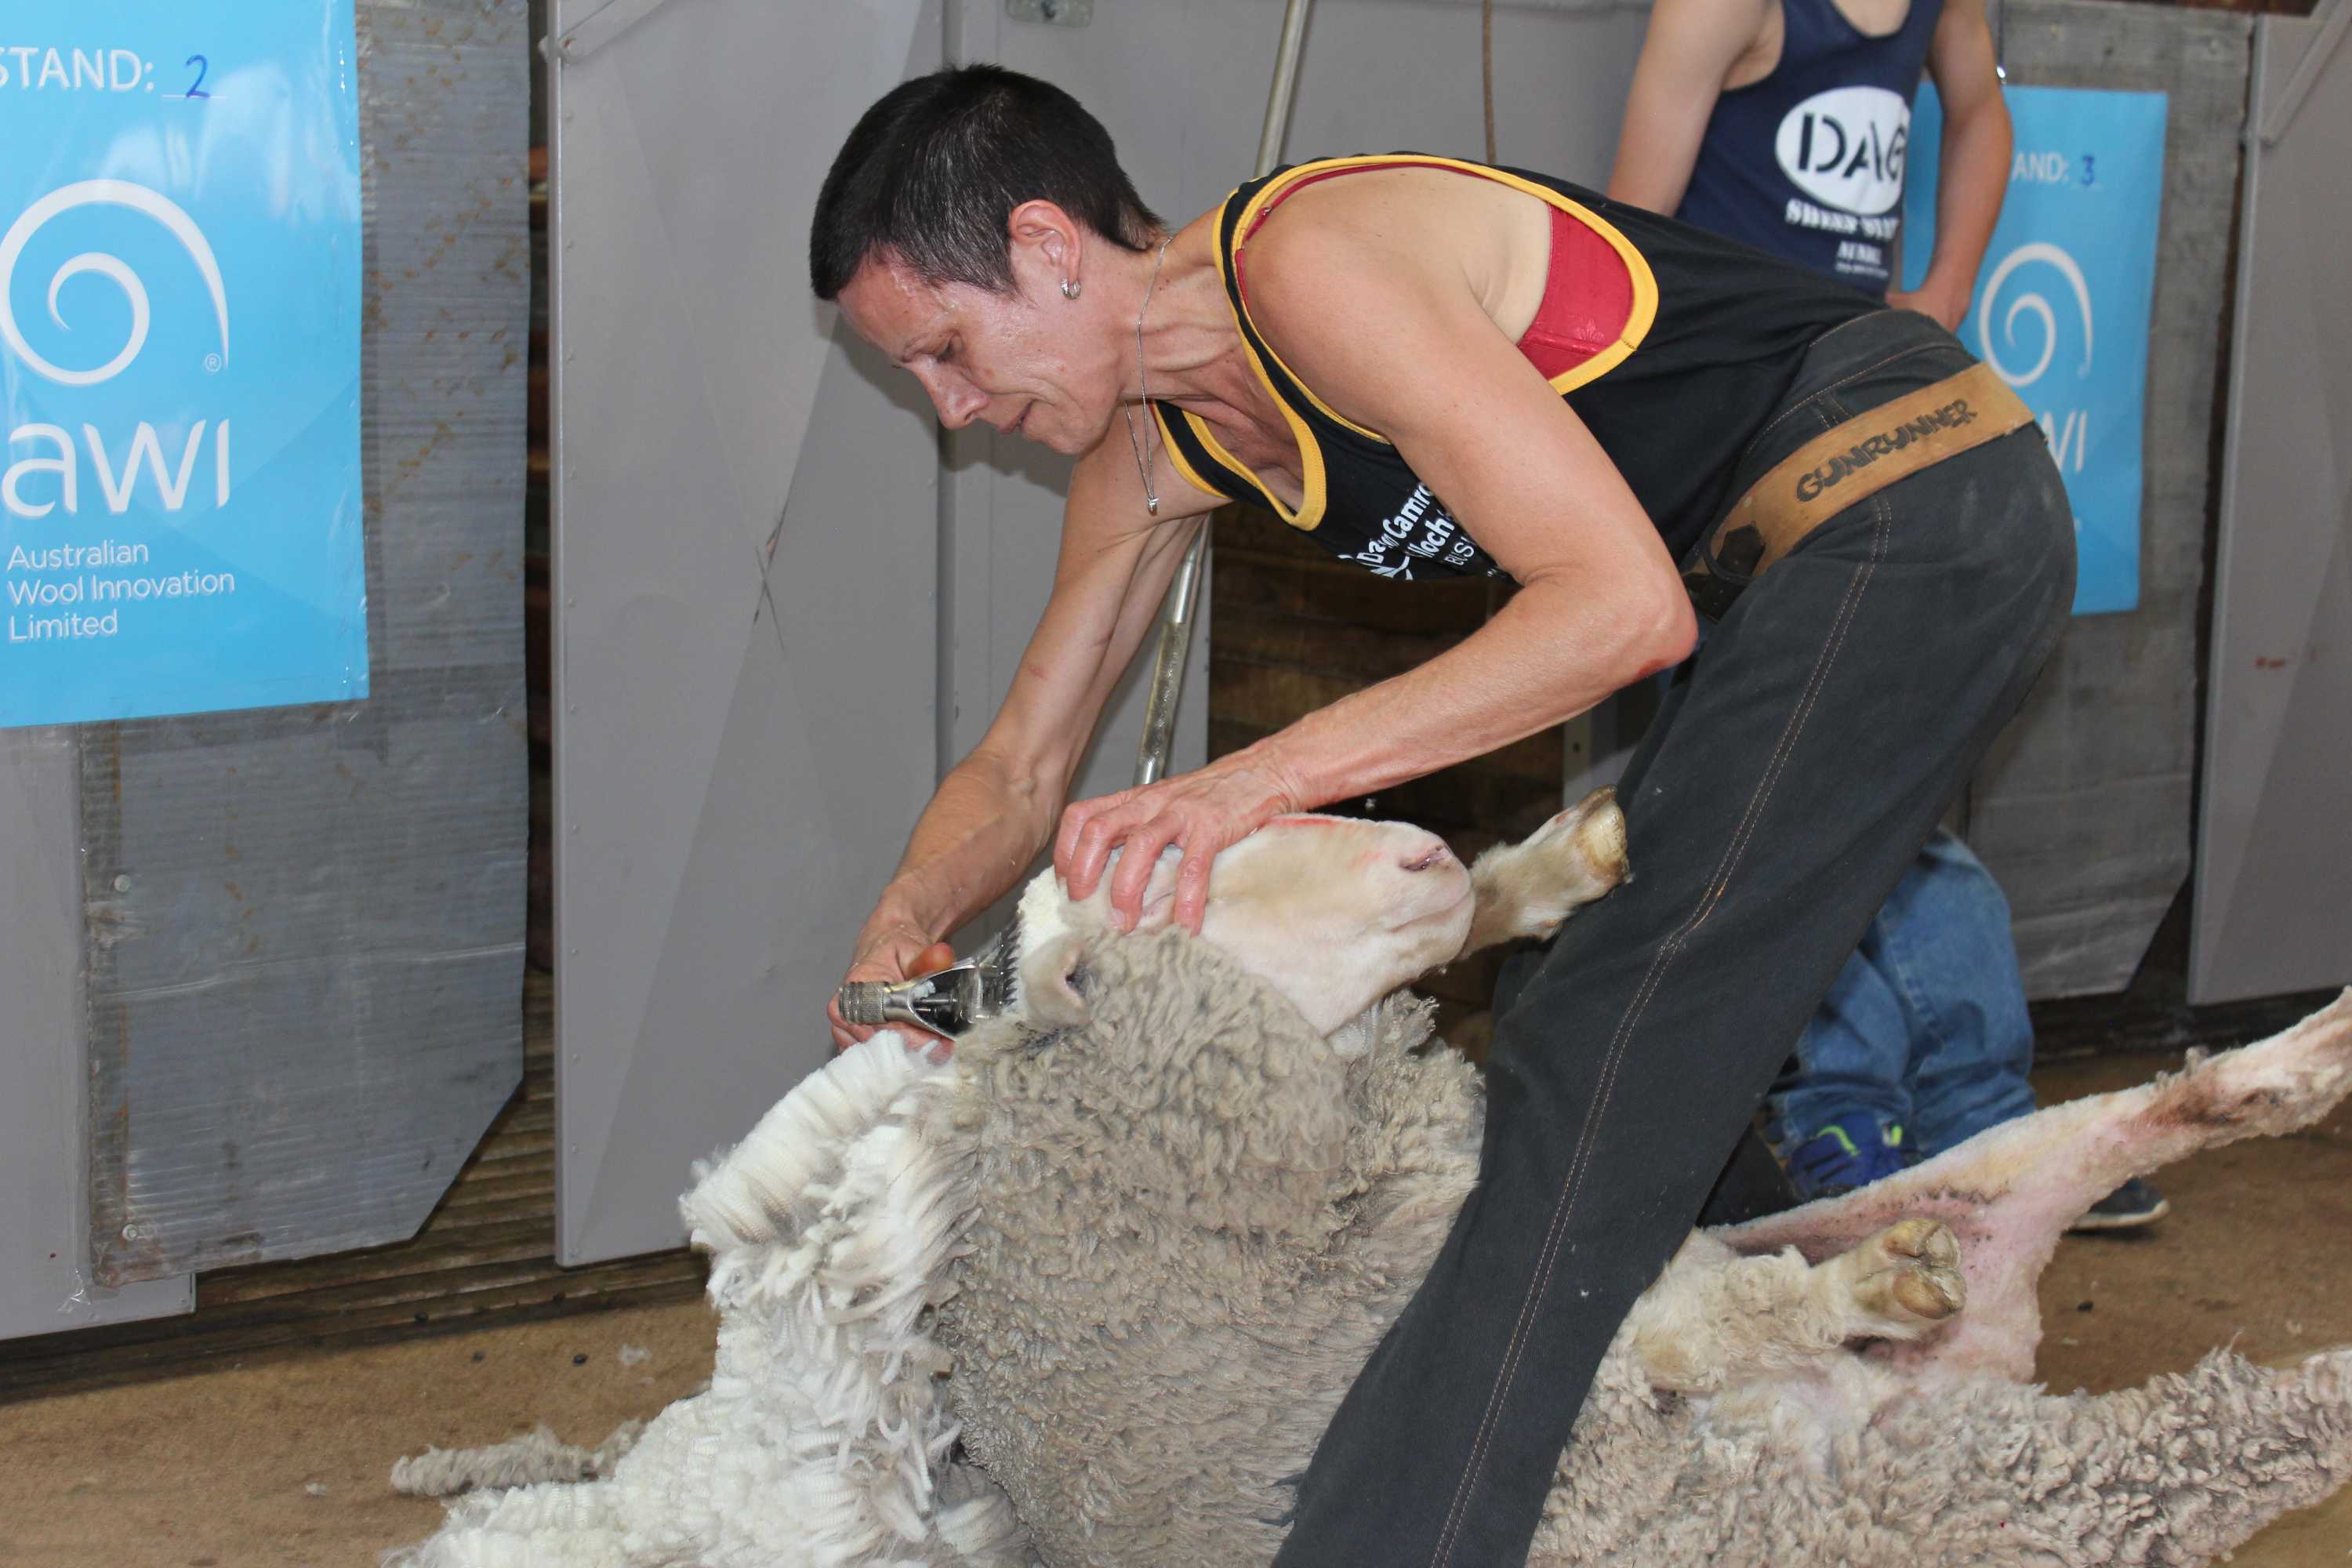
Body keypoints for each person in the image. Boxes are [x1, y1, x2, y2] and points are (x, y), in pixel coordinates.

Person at [814, 64, 2073, 1566]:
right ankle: (1715, 1423)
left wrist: (1254, 778)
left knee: (1599, 1049)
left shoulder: (1305, 265)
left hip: (1909, 491)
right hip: (1797, 566)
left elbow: (1621, 611)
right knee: (1571, 989)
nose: (954, 410)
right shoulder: (1151, 448)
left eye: (948, 351)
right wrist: (905, 920)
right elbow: (1025, 766)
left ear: (1046, 245)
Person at [1605, 0, 2165, 1224]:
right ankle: (1869, 1119)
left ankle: (1952, 1120)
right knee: (1800, 786)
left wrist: (1944, 290)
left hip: (1863, 416)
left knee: (1874, 775)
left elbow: (1981, 113)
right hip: (1730, 440)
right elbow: (1624, 250)